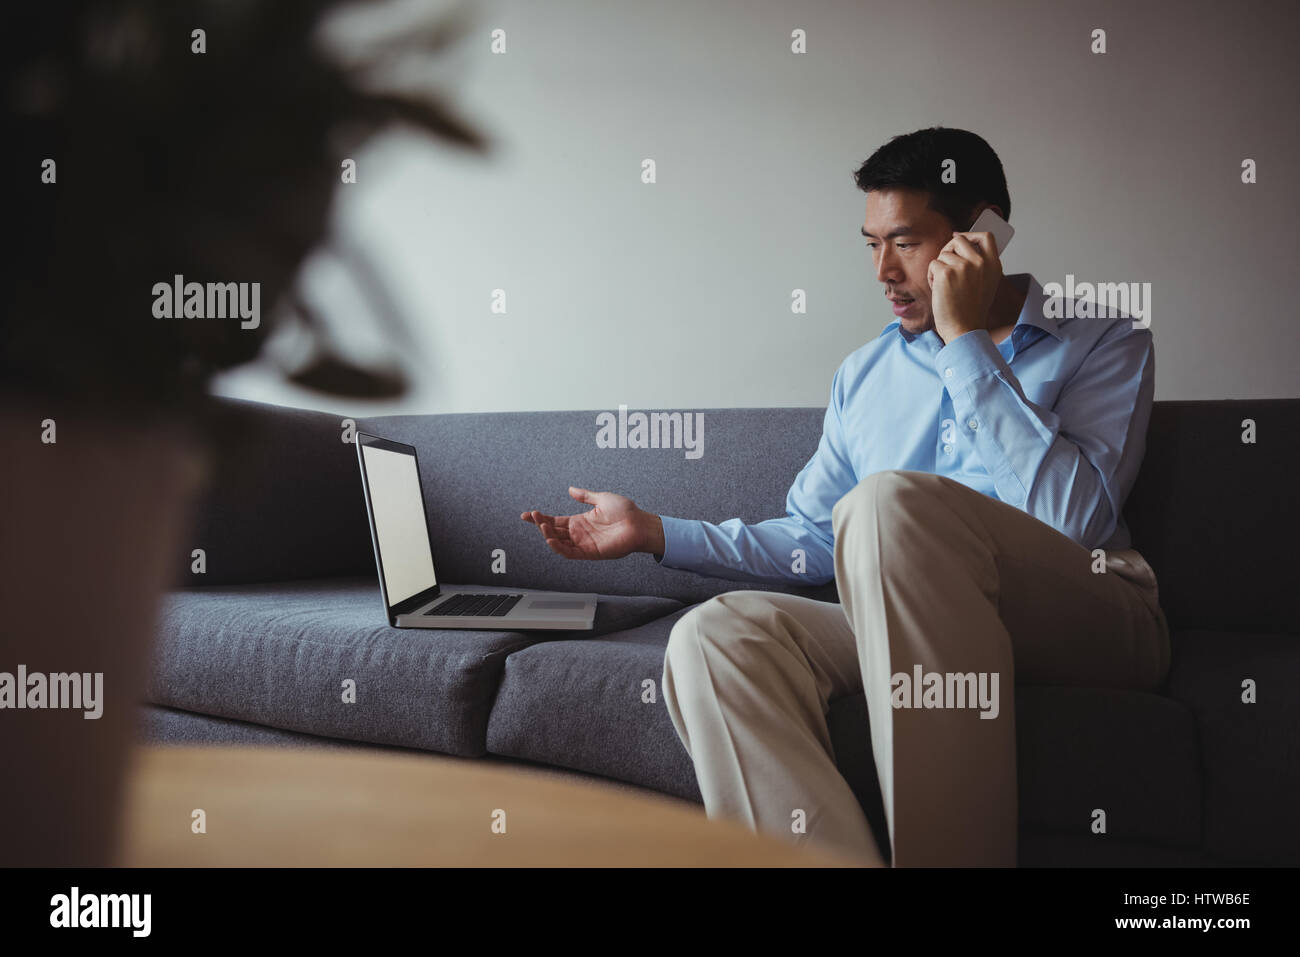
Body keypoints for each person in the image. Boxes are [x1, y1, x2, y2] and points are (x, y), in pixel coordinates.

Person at [521, 127, 1170, 867]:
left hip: (1091, 612)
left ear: (983, 234)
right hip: (912, 622)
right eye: (870, 244)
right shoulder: (865, 374)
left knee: (888, 502)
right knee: (716, 637)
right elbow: (811, 534)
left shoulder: (1104, 339)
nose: (884, 271)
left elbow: (1073, 525)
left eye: (907, 242)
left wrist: (967, 348)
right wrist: (655, 531)